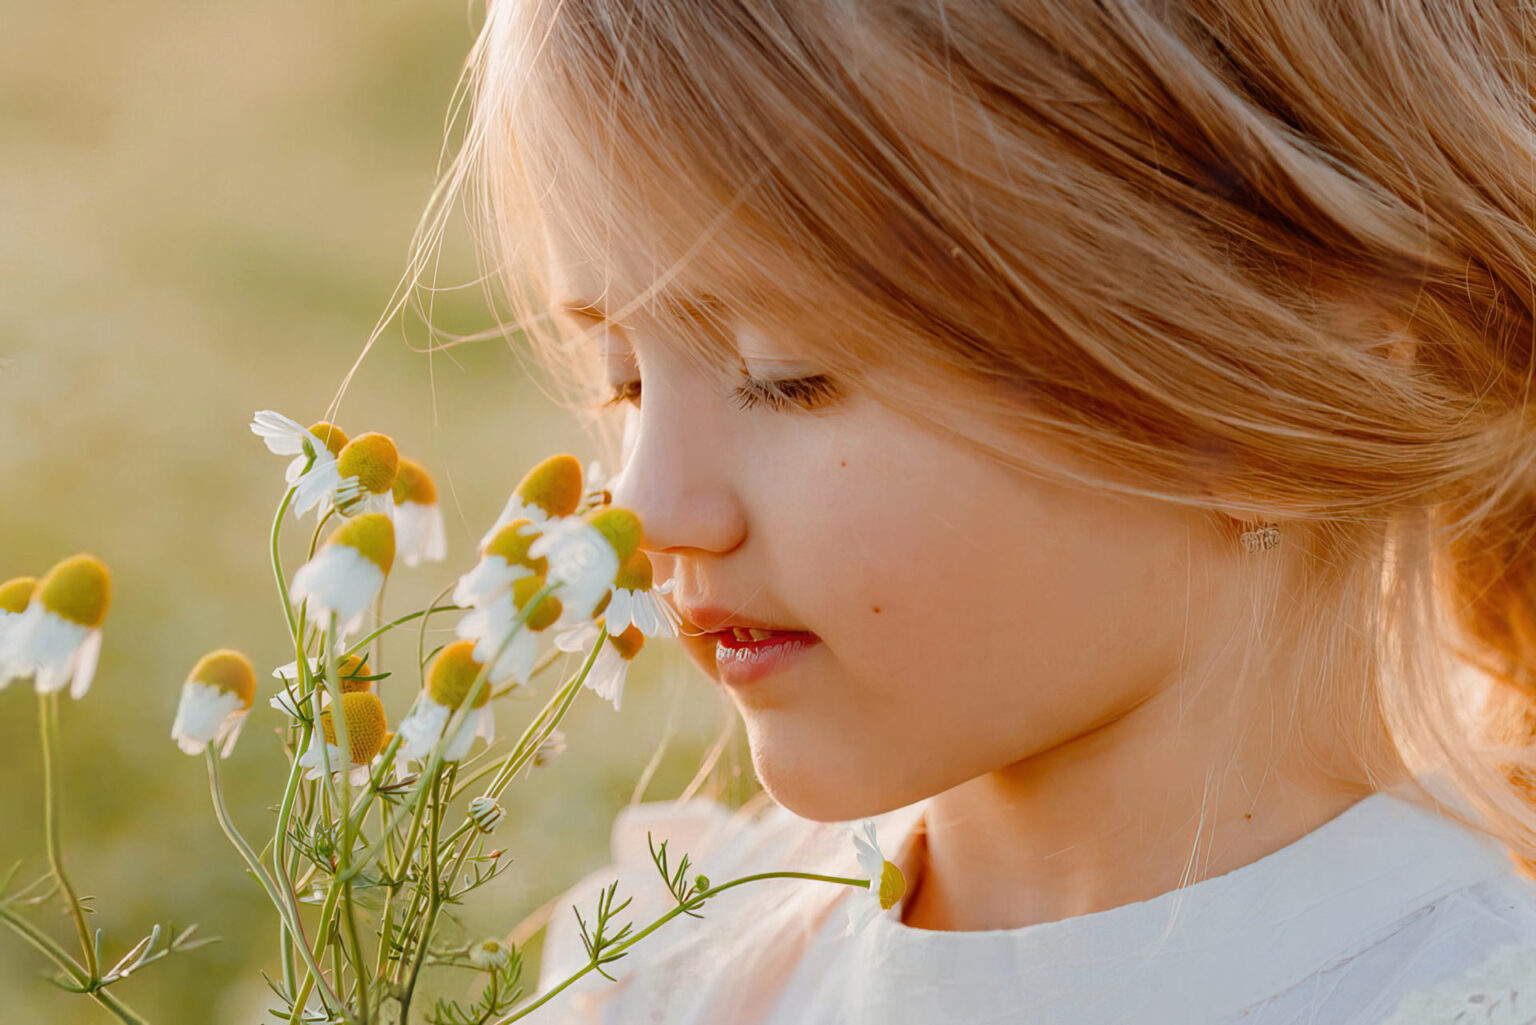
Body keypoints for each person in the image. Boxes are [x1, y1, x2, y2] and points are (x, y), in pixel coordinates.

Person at [406, 1, 1536, 1020]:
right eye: (624, 378)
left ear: (1285, 396)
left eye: (787, 373)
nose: (646, 506)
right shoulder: (675, 971)